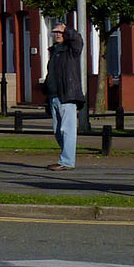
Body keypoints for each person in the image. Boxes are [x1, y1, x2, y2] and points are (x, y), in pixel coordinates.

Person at [43, 21, 85, 170]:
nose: (57, 35)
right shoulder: (55, 51)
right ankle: (66, 156)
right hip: (54, 95)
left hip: (67, 95)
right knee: (58, 131)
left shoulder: (71, 50)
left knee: (67, 129)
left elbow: (78, 40)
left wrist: (68, 30)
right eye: (56, 32)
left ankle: (67, 161)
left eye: (60, 33)